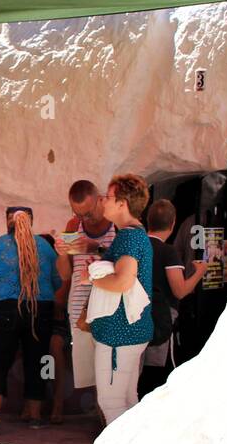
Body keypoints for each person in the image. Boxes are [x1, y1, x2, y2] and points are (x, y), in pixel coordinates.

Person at [0, 207, 64, 432]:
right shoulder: (45, 247)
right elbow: (57, 281)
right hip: (40, 308)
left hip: (6, 308)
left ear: (8, 221)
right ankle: (35, 415)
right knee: (40, 360)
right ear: (31, 221)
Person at [80, 174, 153, 426]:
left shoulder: (129, 237)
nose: (103, 202)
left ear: (122, 203)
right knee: (128, 399)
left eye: (108, 197)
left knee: (111, 402)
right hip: (131, 333)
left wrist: (92, 280)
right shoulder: (134, 235)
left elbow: (123, 282)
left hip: (118, 335)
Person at [139, 198, 208, 397]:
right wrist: (199, 272)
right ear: (173, 222)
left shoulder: (137, 248)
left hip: (135, 317)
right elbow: (180, 290)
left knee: (137, 372)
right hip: (159, 319)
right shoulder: (167, 252)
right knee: (157, 372)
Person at [55, 179, 119, 394]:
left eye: (88, 213)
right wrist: (62, 254)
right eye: (78, 213)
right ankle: (101, 422)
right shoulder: (74, 225)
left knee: (112, 373)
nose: (83, 219)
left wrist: (95, 247)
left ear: (100, 200)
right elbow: (65, 274)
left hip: (111, 308)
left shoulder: (116, 224)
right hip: (80, 312)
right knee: (91, 375)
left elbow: (128, 263)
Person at [39, 233, 72, 425]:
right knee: (37, 346)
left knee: (53, 345)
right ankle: (38, 399)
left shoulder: (61, 270)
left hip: (59, 325)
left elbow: (59, 303)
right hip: (41, 322)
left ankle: (57, 402)